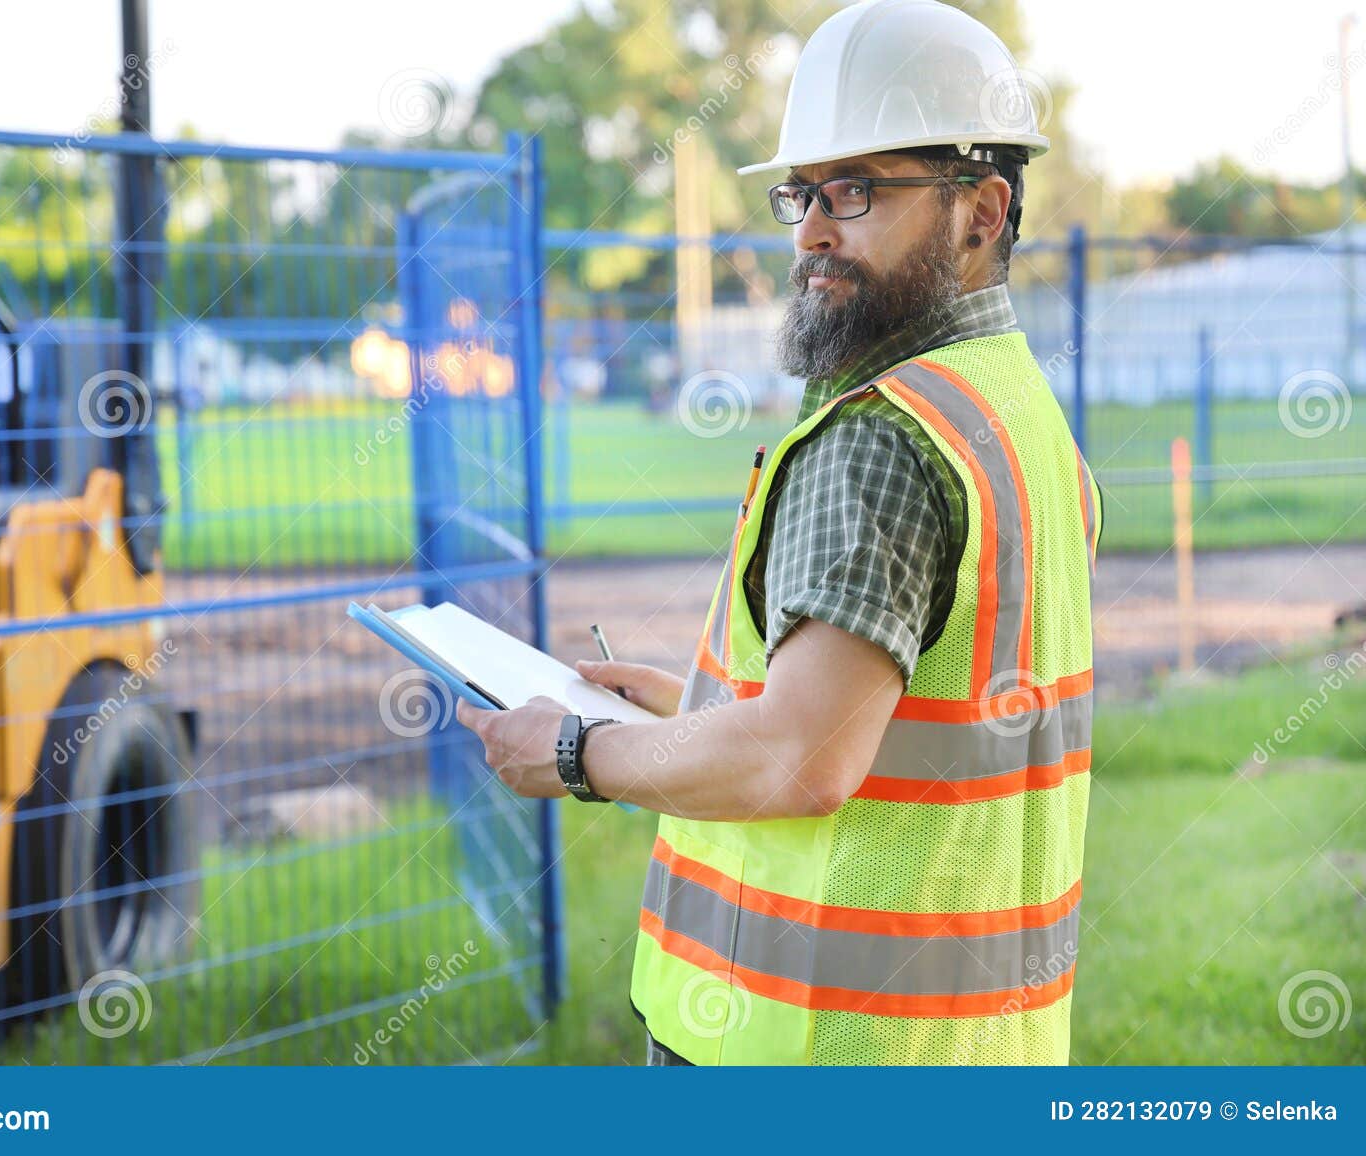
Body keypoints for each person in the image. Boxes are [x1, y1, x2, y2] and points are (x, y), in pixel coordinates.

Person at [453, 0, 1101, 1065]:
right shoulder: (1017, 409)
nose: (809, 230)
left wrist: (576, 752)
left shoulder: (885, 438)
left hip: (811, 1053)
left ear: (980, 212)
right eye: (801, 192)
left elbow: (802, 758)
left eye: (856, 191)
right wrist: (696, 705)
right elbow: (911, 710)